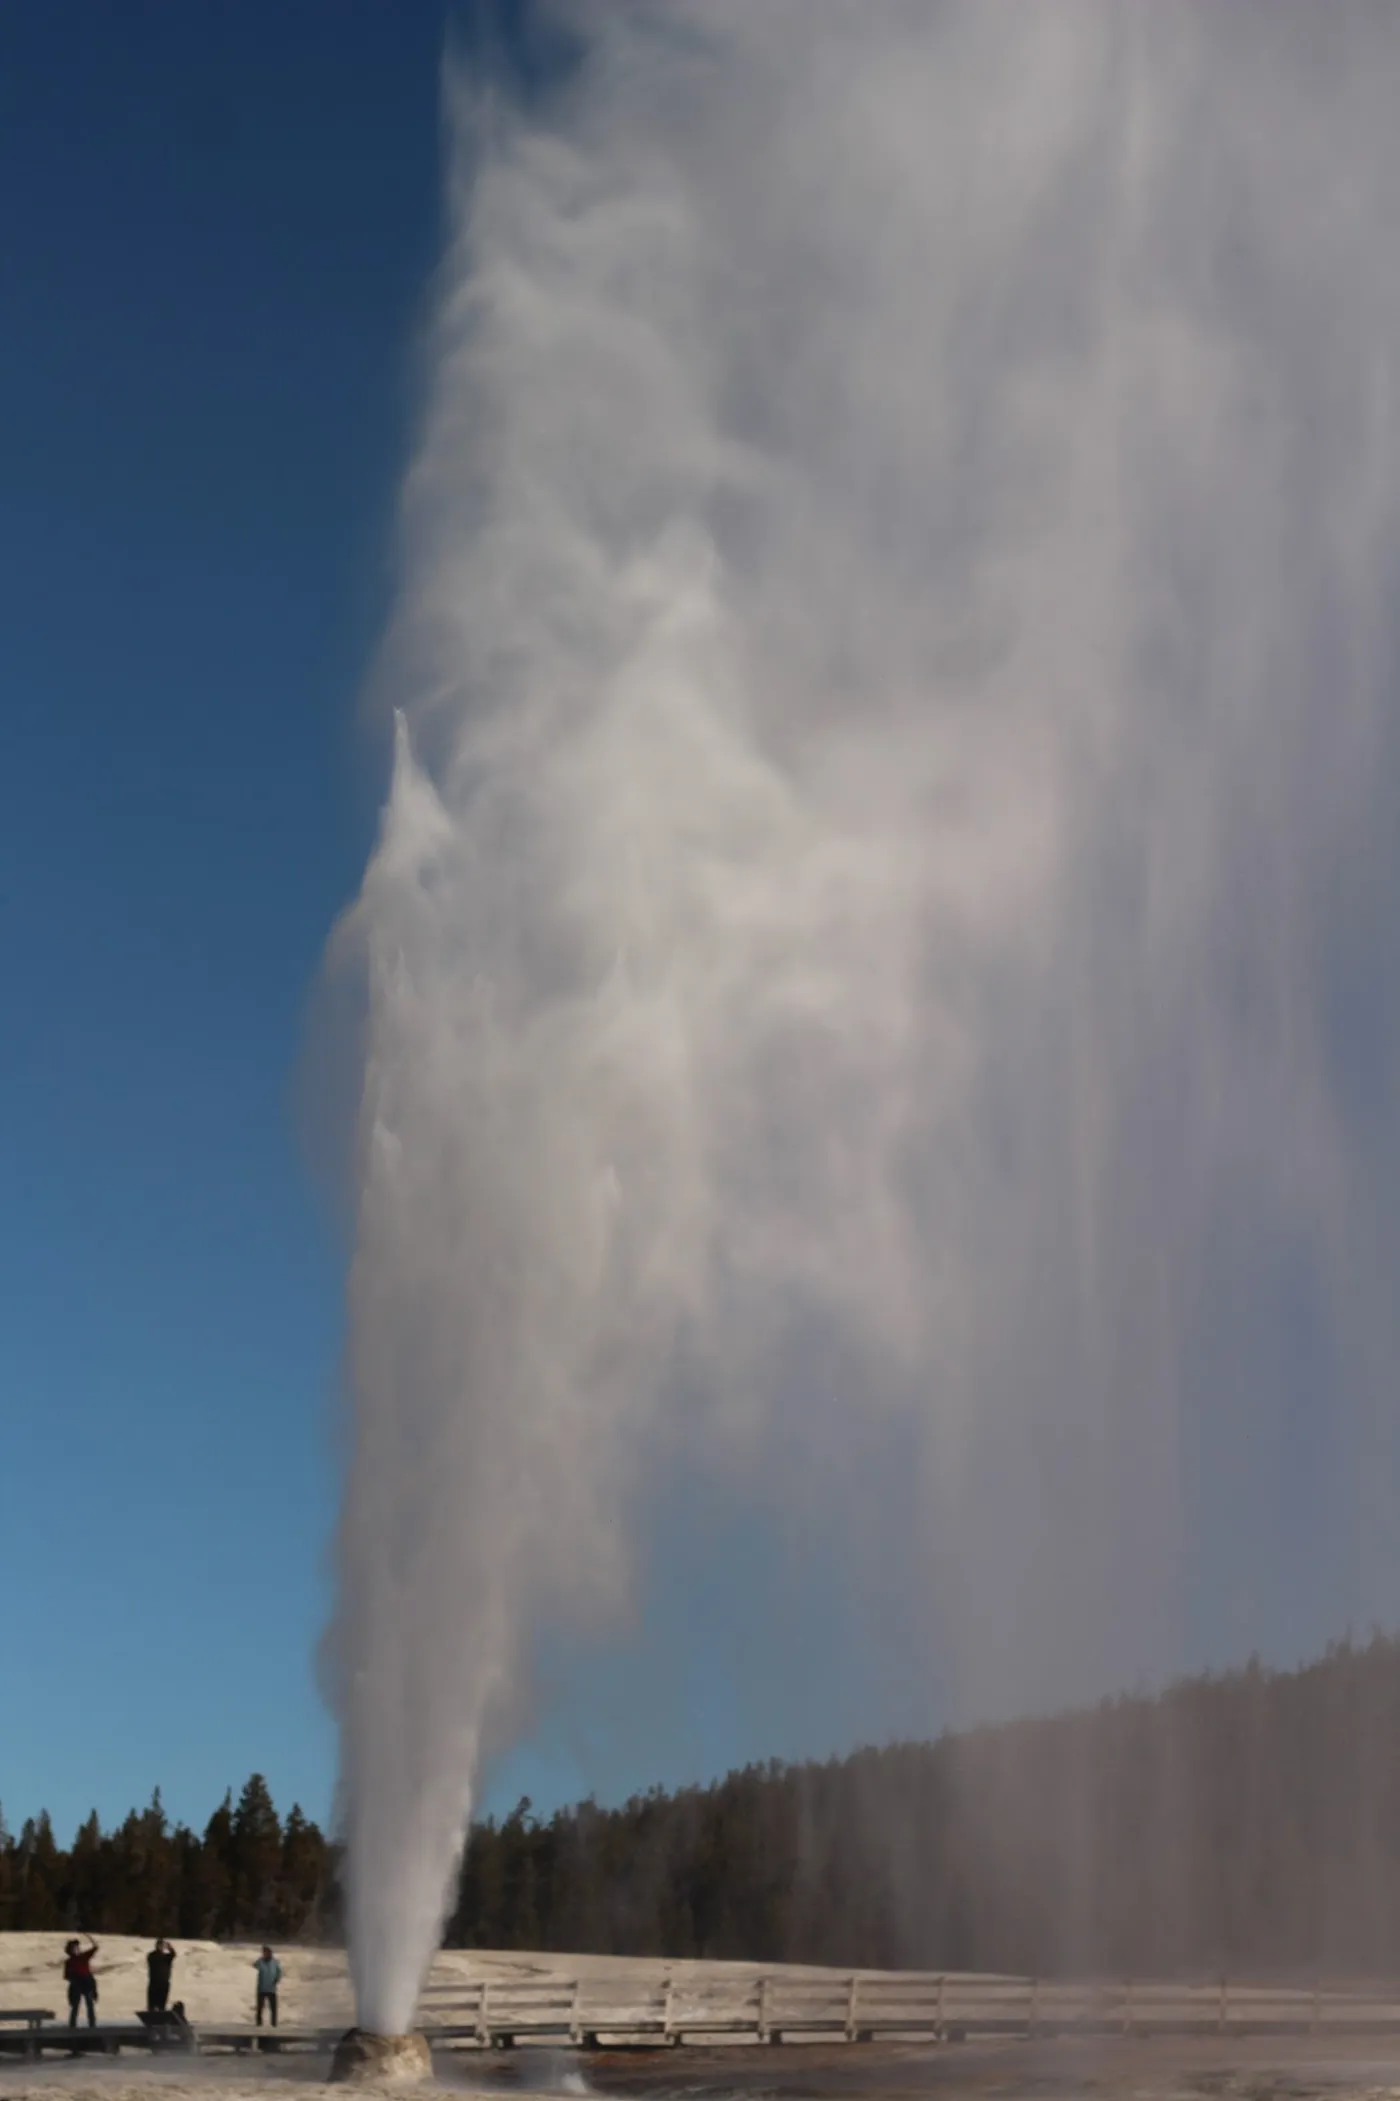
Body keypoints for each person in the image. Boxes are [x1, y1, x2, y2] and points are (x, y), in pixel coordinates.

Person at [62, 1936, 99, 2029]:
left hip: (86, 1982)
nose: (76, 1949)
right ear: (70, 1950)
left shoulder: (84, 1956)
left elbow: (96, 1947)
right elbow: (67, 1976)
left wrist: (89, 1937)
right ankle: (72, 2025)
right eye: (74, 1948)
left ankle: (92, 2024)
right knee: (75, 2005)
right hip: (77, 1983)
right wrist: (74, 1980)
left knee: (89, 2004)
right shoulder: (70, 1961)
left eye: (77, 1947)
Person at [254, 1946, 282, 2028]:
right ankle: (259, 2023)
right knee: (260, 2007)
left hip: (271, 1989)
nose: (265, 1954)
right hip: (261, 1988)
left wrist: (276, 1980)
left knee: (273, 2008)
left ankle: (274, 2023)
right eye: (264, 1952)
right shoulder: (260, 1961)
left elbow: (279, 1972)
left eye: (266, 1952)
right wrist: (260, 1959)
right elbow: (254, 1965)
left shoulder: (275, 1962)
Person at [146, 1938, 176, 2013]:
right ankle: (152, 2014)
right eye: (159, 1945)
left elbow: (173, 1955)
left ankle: (161, 2012)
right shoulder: (152, 1956)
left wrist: (170, 1948)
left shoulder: (166, 1957)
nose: (161, 1947)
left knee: (162, 2003)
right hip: (154, 1982)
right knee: (152, 2003)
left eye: (162, 1945)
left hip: (164, 1983)